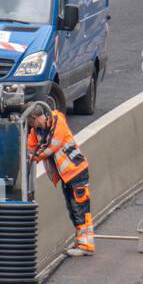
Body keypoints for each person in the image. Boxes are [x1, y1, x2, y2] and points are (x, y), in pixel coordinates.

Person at [27, 103, 94, 256]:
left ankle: (87, 245)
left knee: (80, 208)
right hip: (66, 176)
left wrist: (32, 157)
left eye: (30, 121)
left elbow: (50, 147)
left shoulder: (58, 121)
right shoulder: (36, 131)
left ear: (35, 117)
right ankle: (81, 241)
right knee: (73, 209)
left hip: (76, 171)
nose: (30, 125)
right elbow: (29, 149)